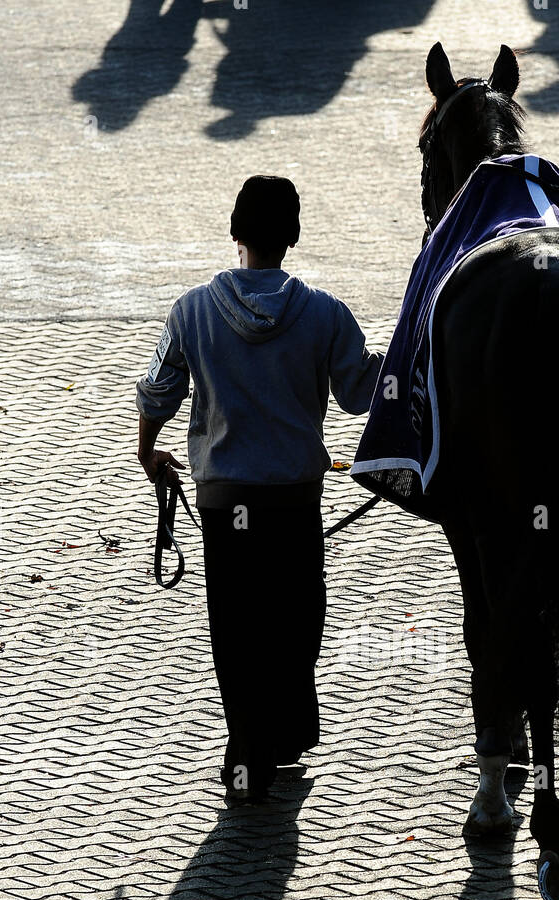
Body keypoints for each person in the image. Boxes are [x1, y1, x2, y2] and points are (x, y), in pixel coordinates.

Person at [136, 175, 382, 804]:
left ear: (235, 232)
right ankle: (290, 727)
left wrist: (148, 451)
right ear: (292, 237)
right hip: (292, 500)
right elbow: (361, 395)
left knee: (236, 624)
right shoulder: (325, 313)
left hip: (224, 501)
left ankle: (246, 748)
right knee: (297, 618)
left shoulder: (190, 311)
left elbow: (157, 390)